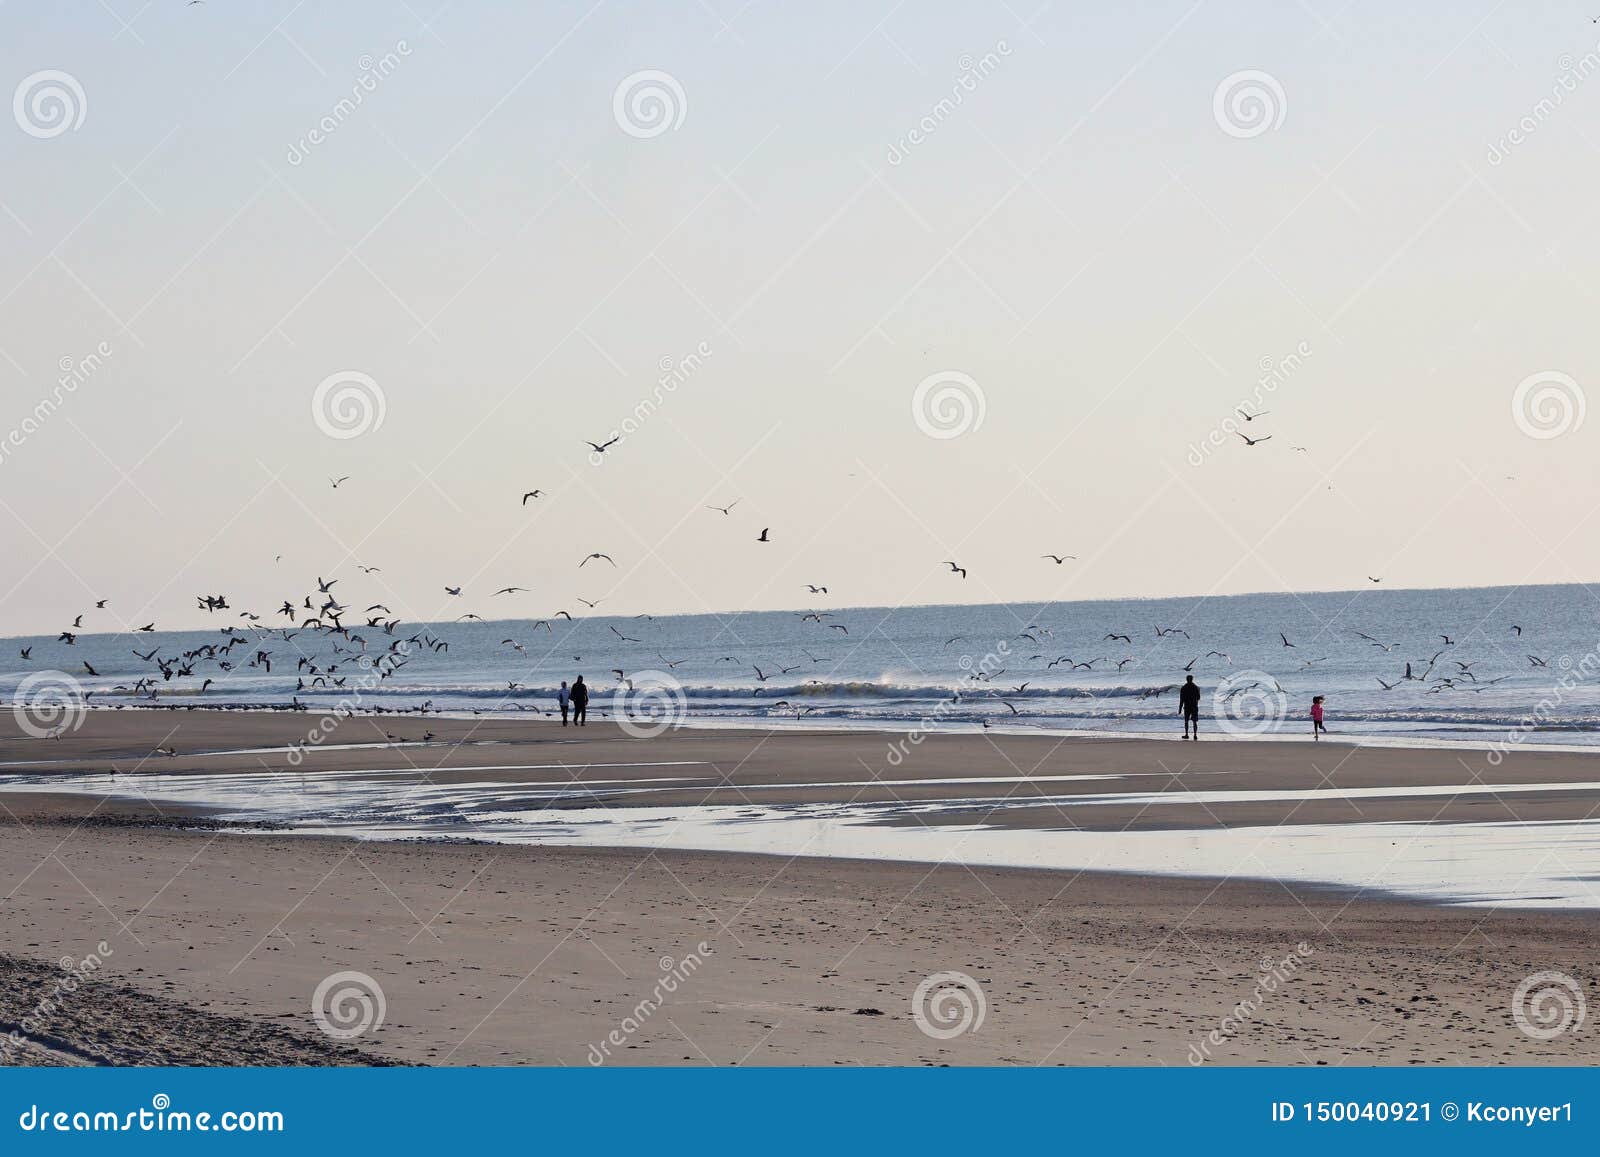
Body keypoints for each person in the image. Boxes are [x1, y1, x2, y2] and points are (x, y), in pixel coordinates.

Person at [1178, 674, 1201, 740]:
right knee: (1194, 721)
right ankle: (1195, 735)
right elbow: (1198, 698)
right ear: (1192, 679)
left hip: (1187, 706)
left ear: (1186, 679)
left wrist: (1180, 708)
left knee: (1186, 721)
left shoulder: (1183, 688)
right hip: (1194, 706)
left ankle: (1186, 734)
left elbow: (1181, 699)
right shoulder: (1196, 687)